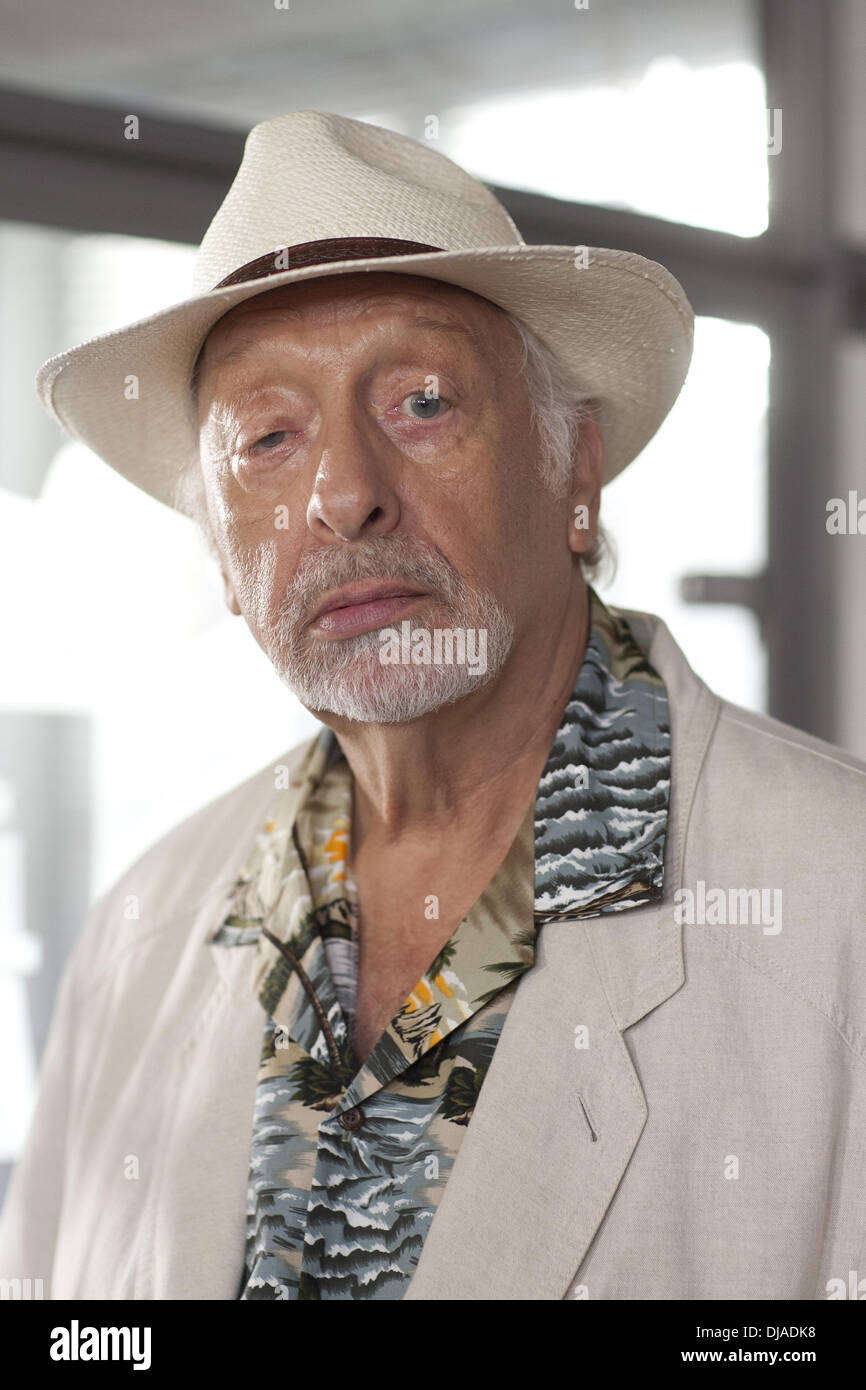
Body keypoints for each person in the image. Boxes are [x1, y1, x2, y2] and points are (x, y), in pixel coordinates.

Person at [1, 110, 864, 1301]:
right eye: (267, 437)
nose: (343, 494)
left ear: (575, 471)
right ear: (219, 554)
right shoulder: (138, 932)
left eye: (420, 402)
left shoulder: (838, 902)